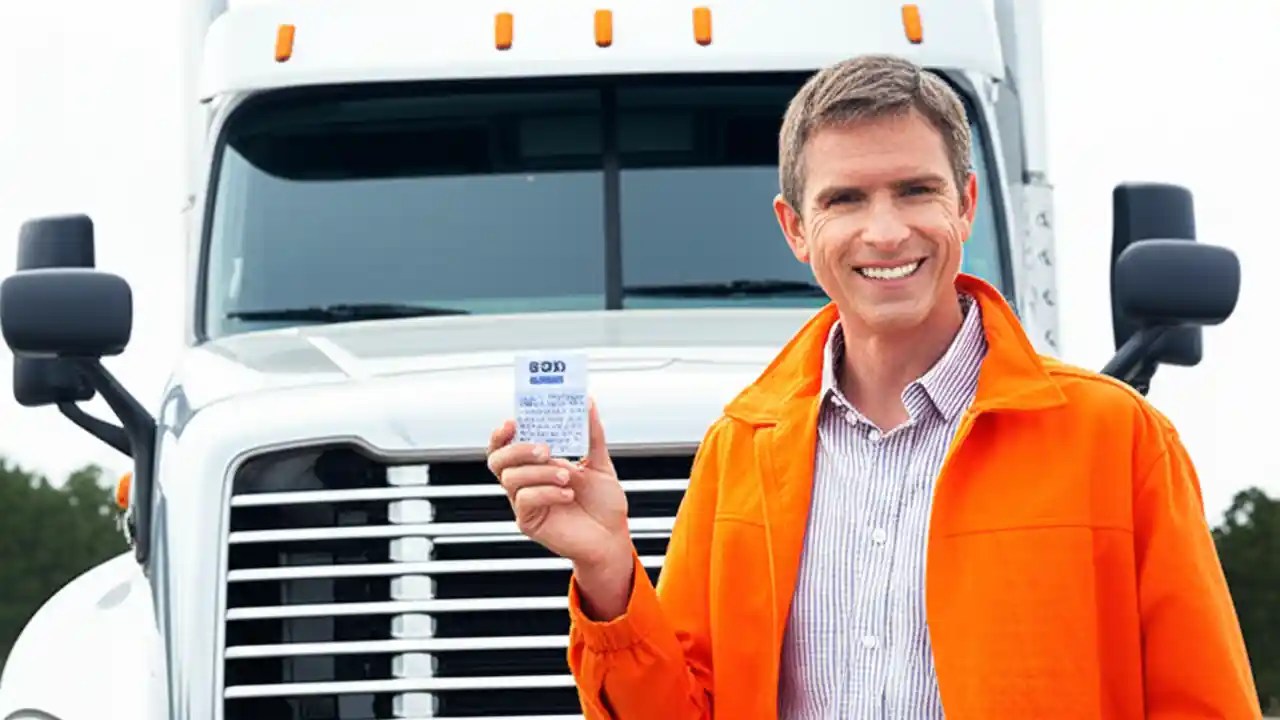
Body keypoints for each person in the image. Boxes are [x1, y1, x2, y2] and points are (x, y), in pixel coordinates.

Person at [485, 54, 1260, 719]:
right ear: (795, 229)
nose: (885, 232)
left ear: (966, 204)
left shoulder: (1116, 438)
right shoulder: (739, 451)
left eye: (915, 191)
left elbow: (1206, 703)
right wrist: (609, 569)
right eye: (845, 199)